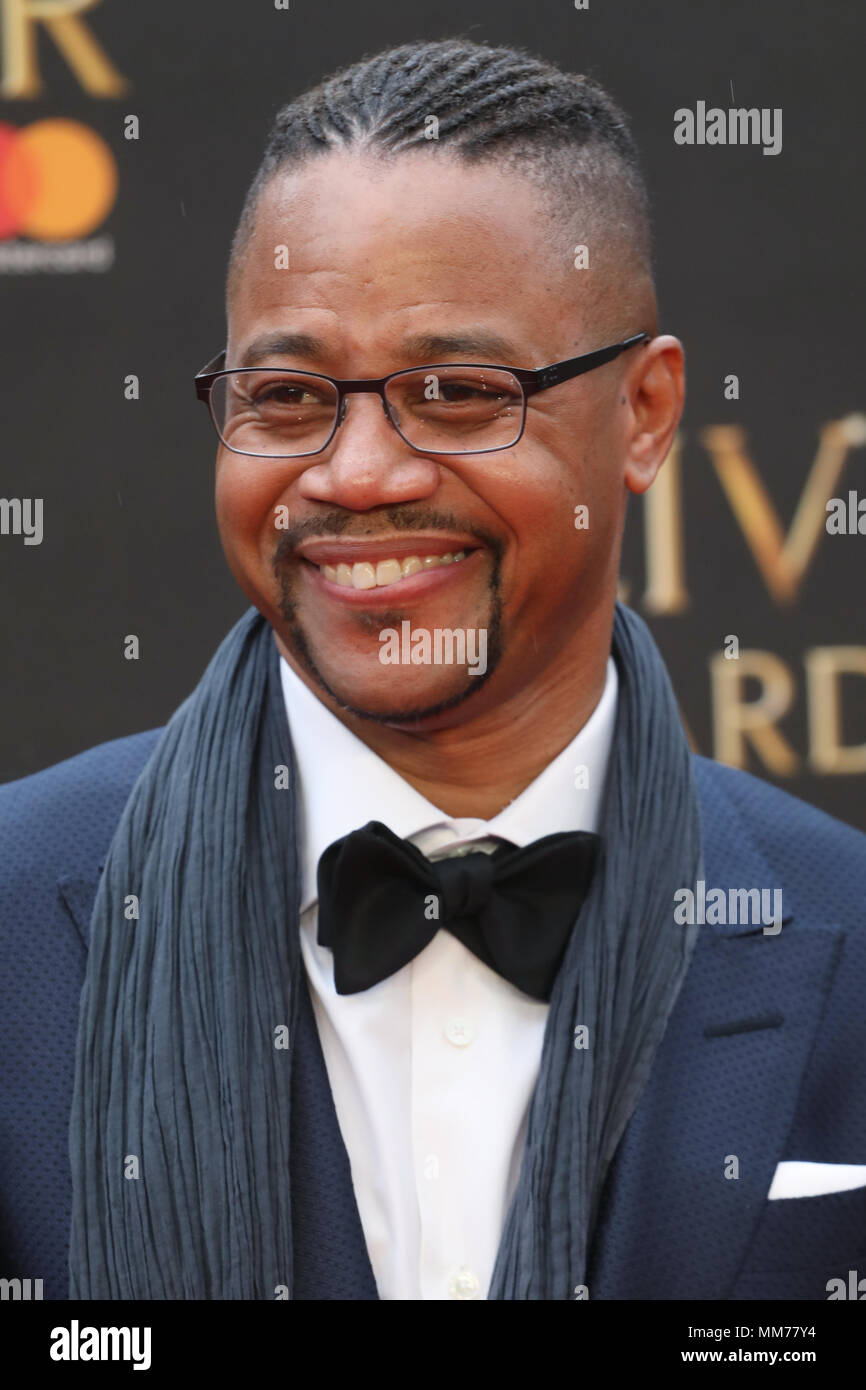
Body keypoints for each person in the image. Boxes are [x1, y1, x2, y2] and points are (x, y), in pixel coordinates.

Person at [2, 38, 864, 1303]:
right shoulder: (19, 921)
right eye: (288, 395)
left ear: (643, 411)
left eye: (457, 391)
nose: (355, 474)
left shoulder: (841, 931)